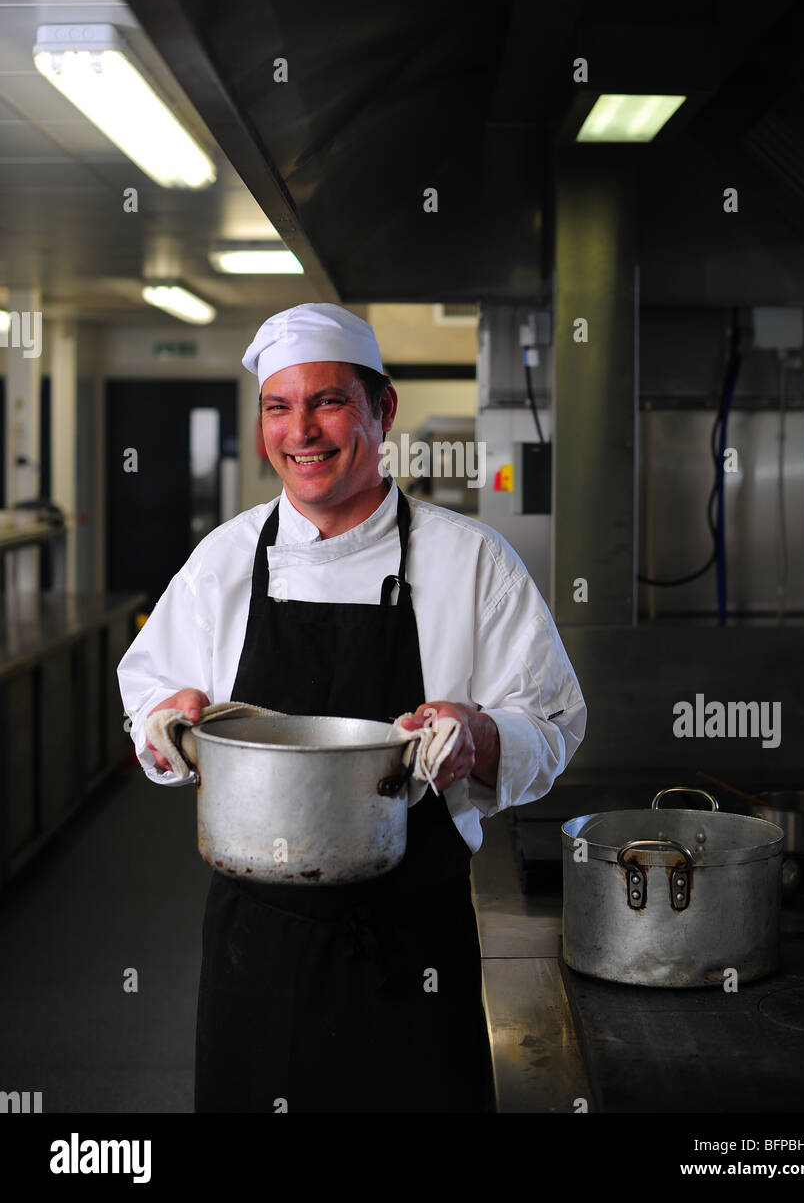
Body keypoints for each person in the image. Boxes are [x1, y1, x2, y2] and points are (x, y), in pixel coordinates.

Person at [117, 303, 587, 1114]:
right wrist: (167, 719)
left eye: (328, 401)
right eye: (278, 406)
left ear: (382, 410)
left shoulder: (472, 561)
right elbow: (148, 702)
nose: (301, 430)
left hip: (411, 941)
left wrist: (482, 737)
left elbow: (552, 725)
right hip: (255, 939)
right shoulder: (224, 560)